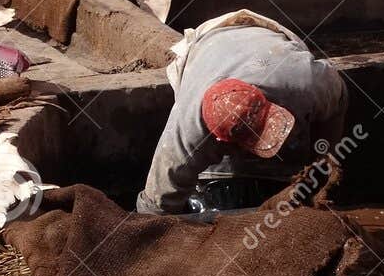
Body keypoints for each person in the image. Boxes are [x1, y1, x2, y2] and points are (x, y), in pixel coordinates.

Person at [137, 12, 348, 215]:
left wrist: (321, 160)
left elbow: (339, 98)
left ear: (264, 102)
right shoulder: (186, 134)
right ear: (219, 140)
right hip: (207, 46)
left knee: (290, 165)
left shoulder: (305, 83)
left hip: (266, 39)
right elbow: (158, 204)